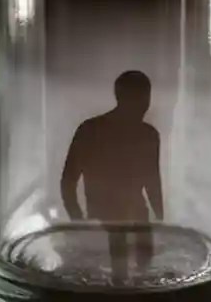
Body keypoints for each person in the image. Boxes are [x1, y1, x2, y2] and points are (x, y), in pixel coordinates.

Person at [60, 70, 163, 283]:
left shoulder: (149, 135)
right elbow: (69, 180)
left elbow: (152, 179)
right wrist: (77, 220)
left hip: (136, 214)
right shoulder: (90, 131)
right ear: (121, 98)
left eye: (146, 98)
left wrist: (161, 216)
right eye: (140, 99)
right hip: (103, 215)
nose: (145, 105)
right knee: (118, 265)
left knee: (143, 266)